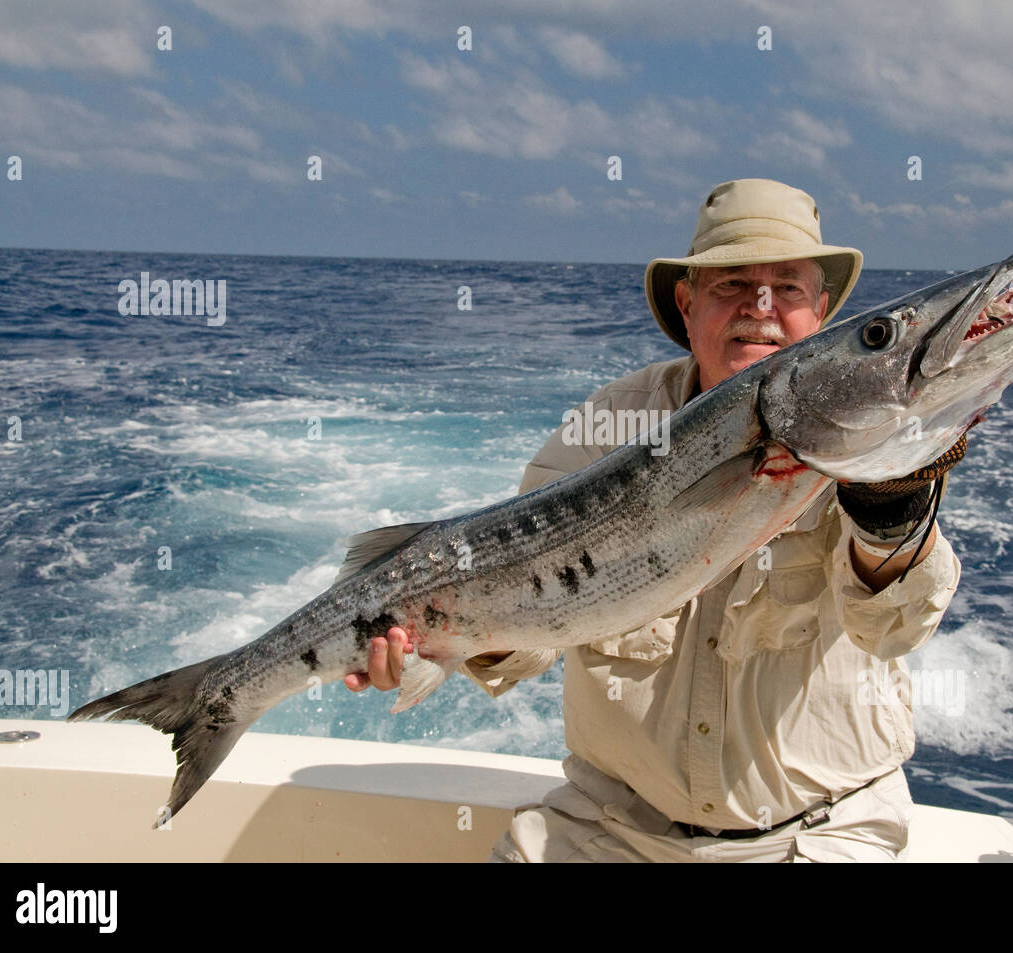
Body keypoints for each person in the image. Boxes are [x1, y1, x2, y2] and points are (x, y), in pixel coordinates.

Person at [346, 178, 963, 862]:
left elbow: (894, 627)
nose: (760, 309)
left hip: (822, 833)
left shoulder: (875, 442)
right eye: (732, 284)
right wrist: (443, 635)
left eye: (788, 288)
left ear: (820, 314)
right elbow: (524, 647)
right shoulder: (604, 429)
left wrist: (891, 514)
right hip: (609, 827)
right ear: (687, 302)